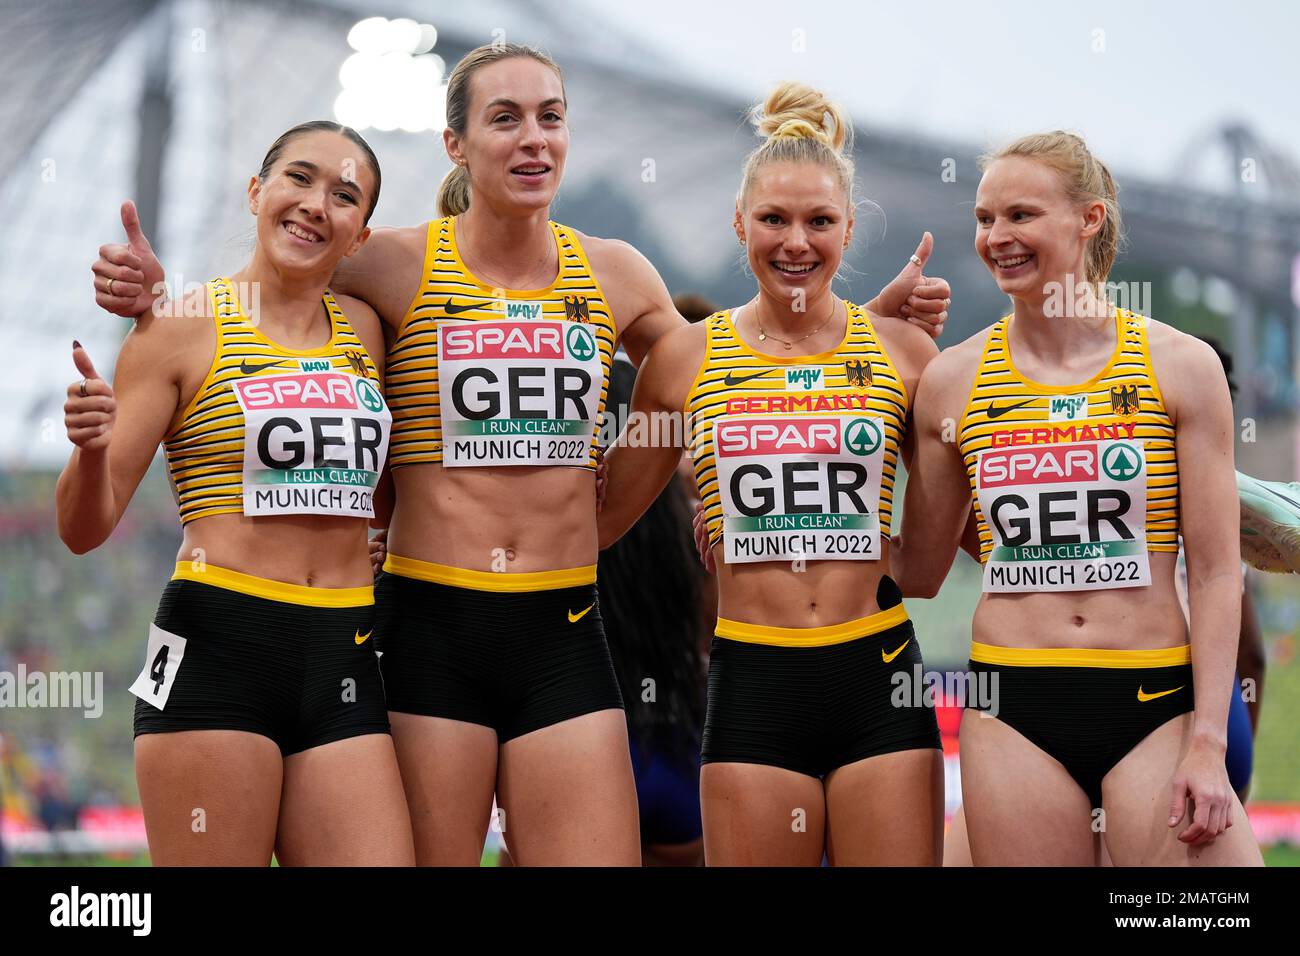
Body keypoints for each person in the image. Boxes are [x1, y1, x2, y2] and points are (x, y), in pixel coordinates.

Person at [93, 46, 948, 866]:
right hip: (429, 631)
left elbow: (734, 368)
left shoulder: (615, 274)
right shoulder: (390, 263)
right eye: (506, 119)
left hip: (562, 636)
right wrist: (161, 298)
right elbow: (273, 291)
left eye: (551, 117)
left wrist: (857, 317)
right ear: (457, 144)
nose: (533, 137)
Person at [599, 82, 946, 865]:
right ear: (739, 223)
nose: (797, 242)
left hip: (879, 676)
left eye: (820, 221)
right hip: (752, 683)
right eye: (774, 220)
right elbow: (601, 520)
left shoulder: (904, 355)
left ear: (849, 229)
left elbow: (963, 536)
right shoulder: (684, 361)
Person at [894, 130, 1263, 865]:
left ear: (1089, 219)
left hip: (1155, 699)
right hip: (1013, 705)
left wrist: (1210, 744)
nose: (996, 237)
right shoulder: (953, 379)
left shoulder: (1181, 367)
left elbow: (1220, 571)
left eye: (1020, 215)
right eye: (984, 218)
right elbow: (920, 571)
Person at [61, 122, 414, 865]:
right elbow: (83, 528)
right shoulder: (178, 328)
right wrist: (89, 452)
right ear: (257, 192)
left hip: (345, 657)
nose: (317, 203)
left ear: (360, 238)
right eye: (300, 178)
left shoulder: (369, 330)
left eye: (344, 195)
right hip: (215, 649)